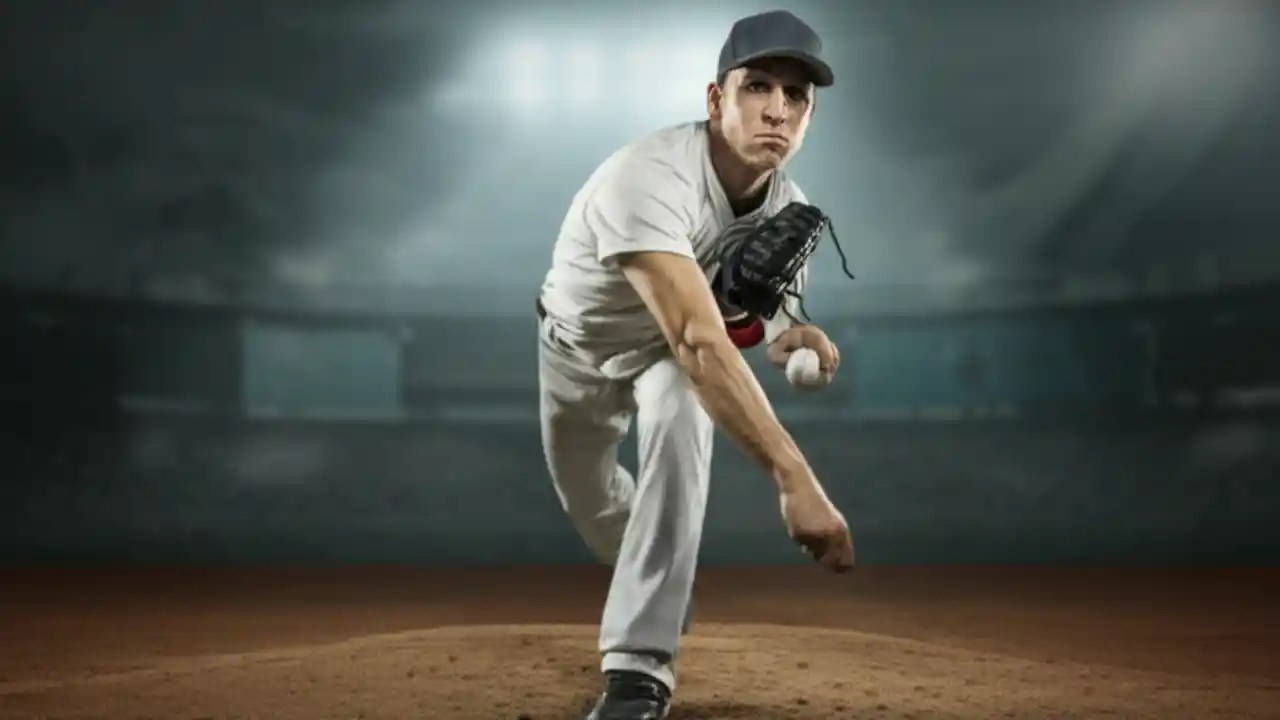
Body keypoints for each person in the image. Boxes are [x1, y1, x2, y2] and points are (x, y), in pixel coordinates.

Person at [535, 9, 854, 719]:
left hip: (665, 355)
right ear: (716, 99)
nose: (778, 108)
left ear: (810, 115)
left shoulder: (788, 210)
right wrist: (795, 480)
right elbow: (701, 340)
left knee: (684, 406)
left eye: (796, 96)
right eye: (759, 86)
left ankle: (639, 672)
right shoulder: (646, 176)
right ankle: (656, 570)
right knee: (591, 508)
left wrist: (791, 337)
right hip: (575, 351)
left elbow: (743, 335)